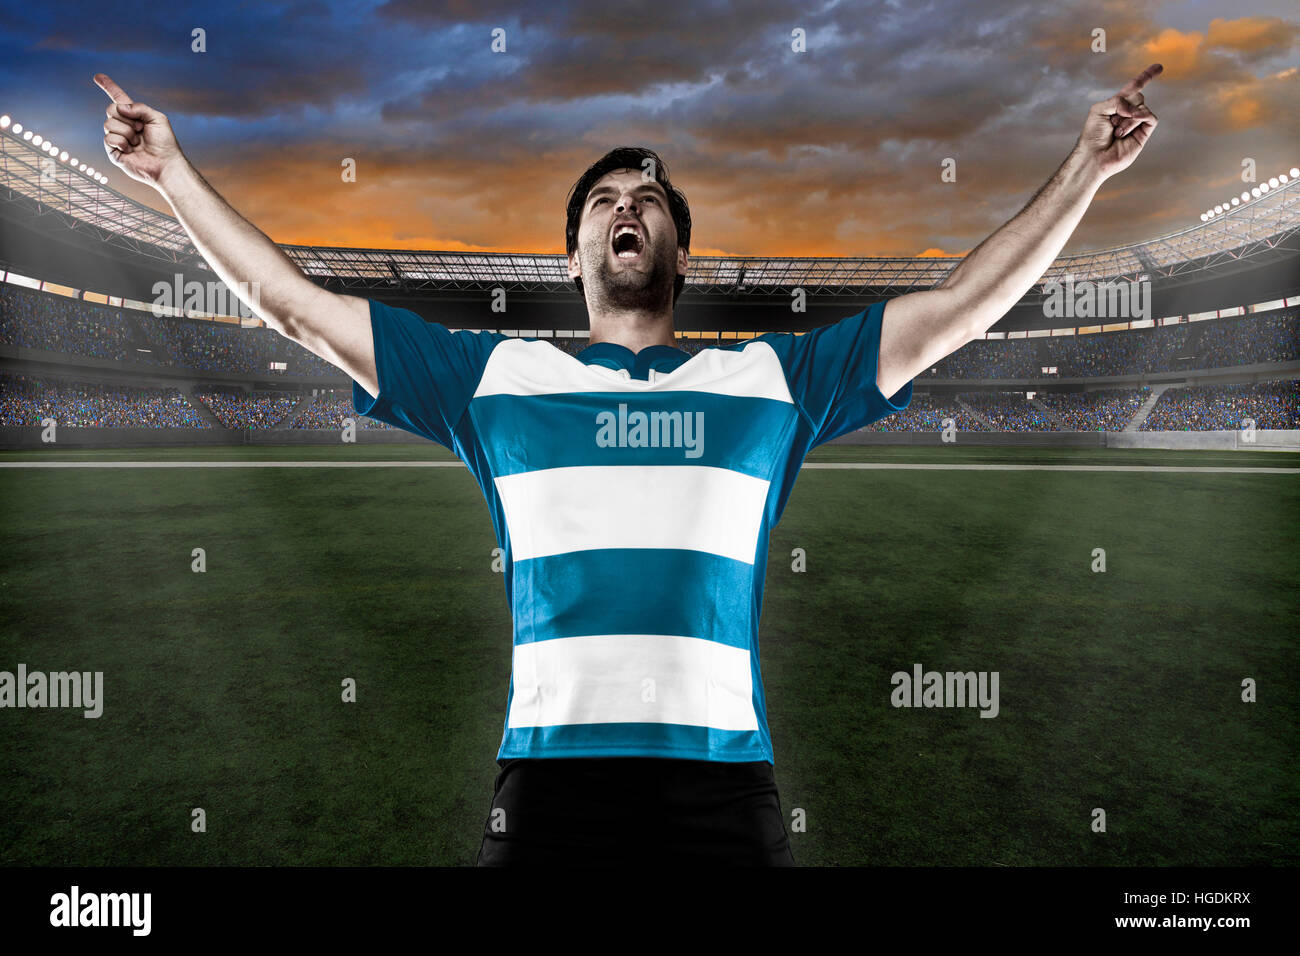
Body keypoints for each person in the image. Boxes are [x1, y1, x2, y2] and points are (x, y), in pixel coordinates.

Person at [93, 63, 1161, 865]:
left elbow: (958, 310)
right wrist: (173, 173)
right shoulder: (493, 375)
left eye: (647, 200)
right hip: (547, 793)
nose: (625, 207)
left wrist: (1086, 164)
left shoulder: (772, 379)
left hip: (726, 791)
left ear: (682, 255)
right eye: (602, 199)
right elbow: (296, 307)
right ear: (572, 256)